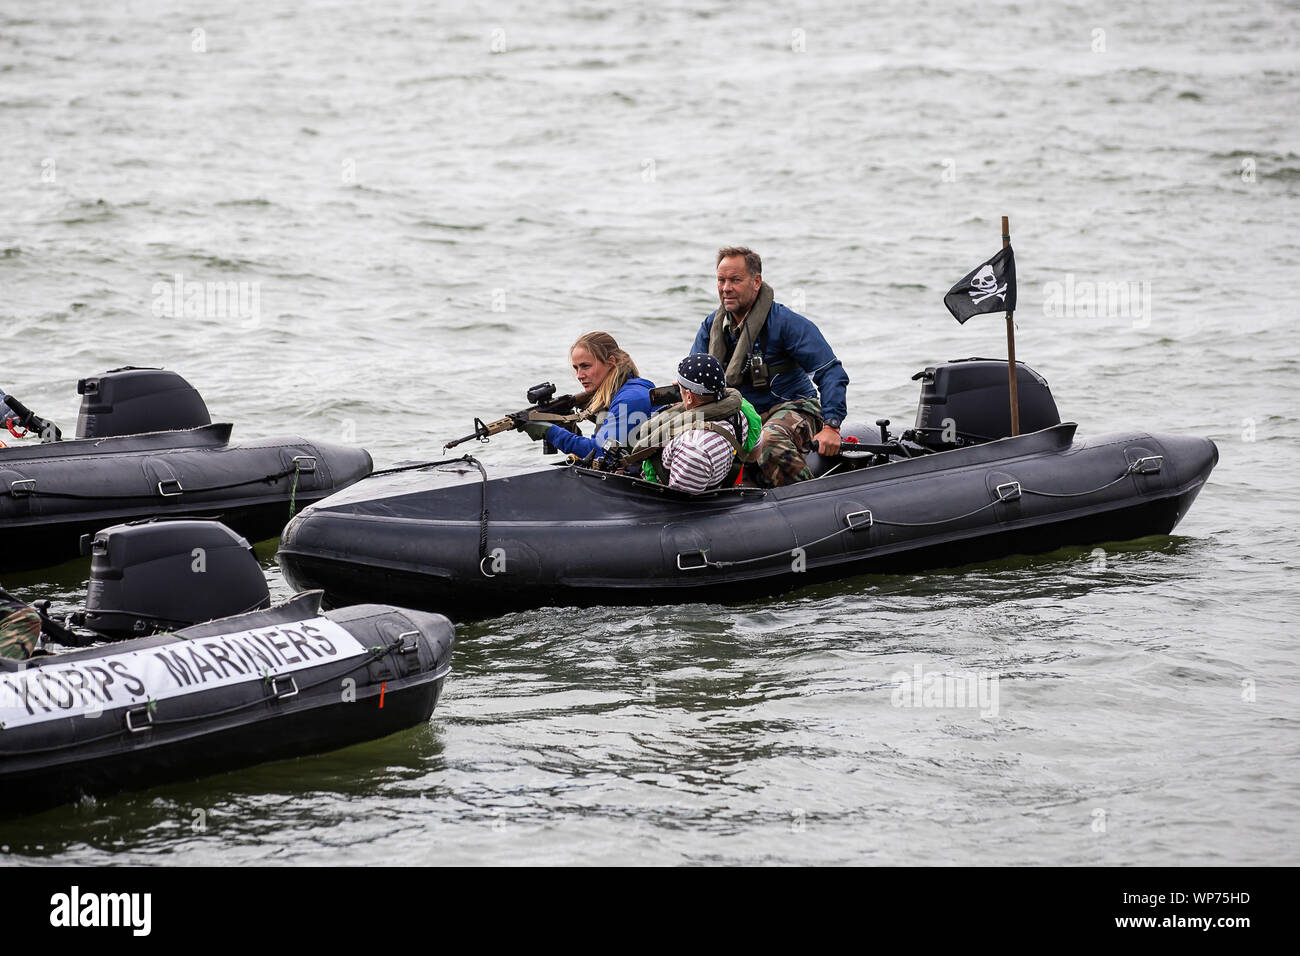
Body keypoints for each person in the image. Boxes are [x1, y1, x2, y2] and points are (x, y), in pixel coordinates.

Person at [691, 246, 849, 485]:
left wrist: (831, 426)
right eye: (721, 280)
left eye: (735, 280)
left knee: (768, 439)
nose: (726, 288)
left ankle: (808, 502)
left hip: (793, 408)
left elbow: (830, 372)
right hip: (740, 415)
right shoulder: (711, 326)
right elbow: (693, 377)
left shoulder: (786, 323)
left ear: (756, 282)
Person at [628, 353, 760, 494]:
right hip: (720, 483)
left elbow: (677, 501)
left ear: (690, 396)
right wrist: (686, 404)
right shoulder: (744, 413)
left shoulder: (692, 447)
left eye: (680, 389)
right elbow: (753, 455)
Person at [519, 331, 654, 461]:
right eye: (576, 368)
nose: (579, 375)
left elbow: (599, 451)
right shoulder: (623, 393)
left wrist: (549, 432)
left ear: (611, 362)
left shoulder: (631, 398)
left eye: (585, 366)